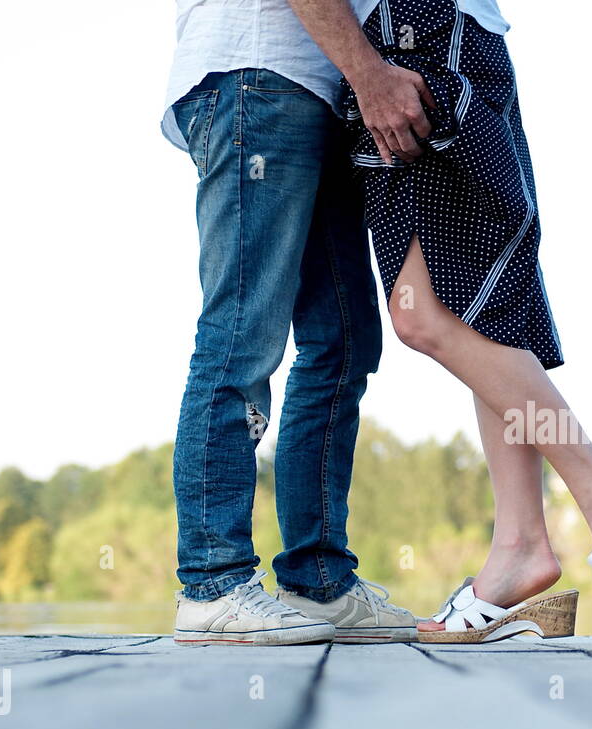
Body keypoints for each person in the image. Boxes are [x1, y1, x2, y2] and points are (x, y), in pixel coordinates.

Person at [290, 0, 592, 644]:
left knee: (426, 316)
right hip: (425, 38)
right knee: (480, 314)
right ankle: (521, 545)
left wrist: (372, 70)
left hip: (420, 36)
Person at [163, 0, 416, 646]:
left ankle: (317, 581)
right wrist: (371, 74)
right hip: (258, 78)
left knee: (344, 338)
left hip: (315, 94)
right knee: (241, 332)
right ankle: (212, 583)